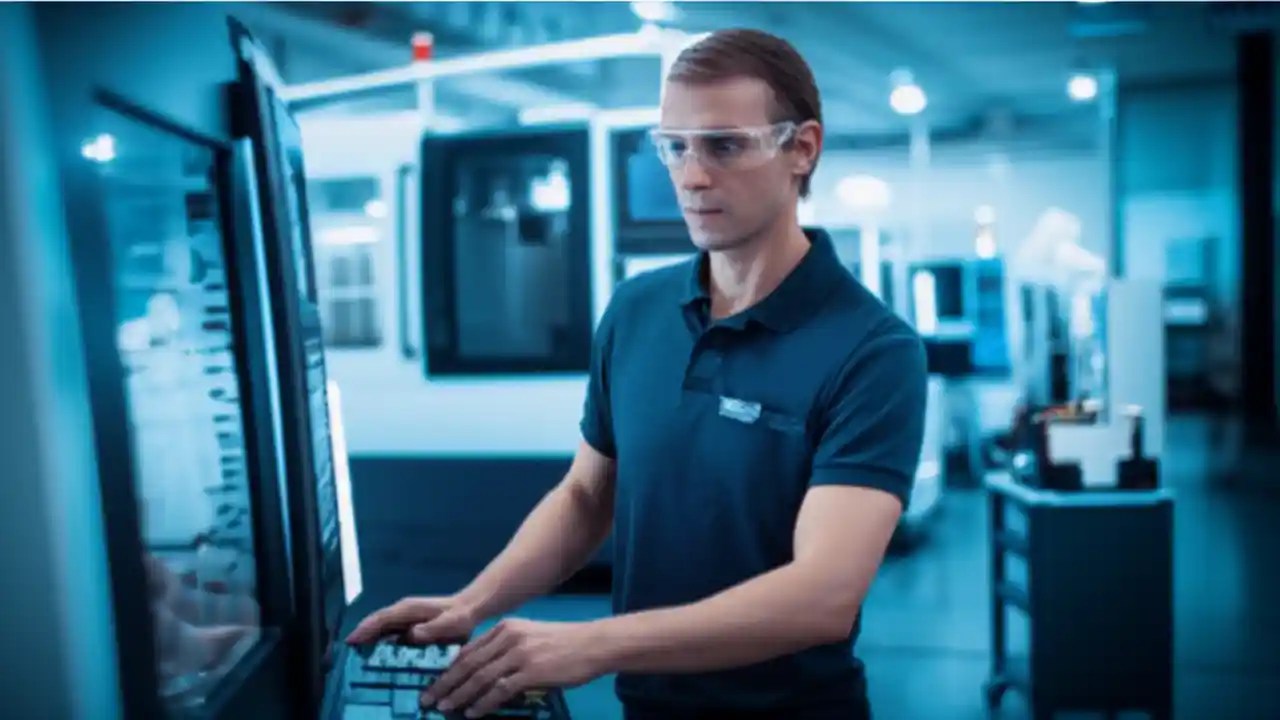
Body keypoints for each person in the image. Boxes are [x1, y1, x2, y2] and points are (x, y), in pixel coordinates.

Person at [347, 28, 928, 720]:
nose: (691, 175)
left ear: (801, 148)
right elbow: (590, 494)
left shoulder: (871, 350)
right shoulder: (638, 311)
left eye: (725, 145)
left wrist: (595, 643)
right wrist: (470, 603)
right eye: (674, 146)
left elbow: (822, 597)